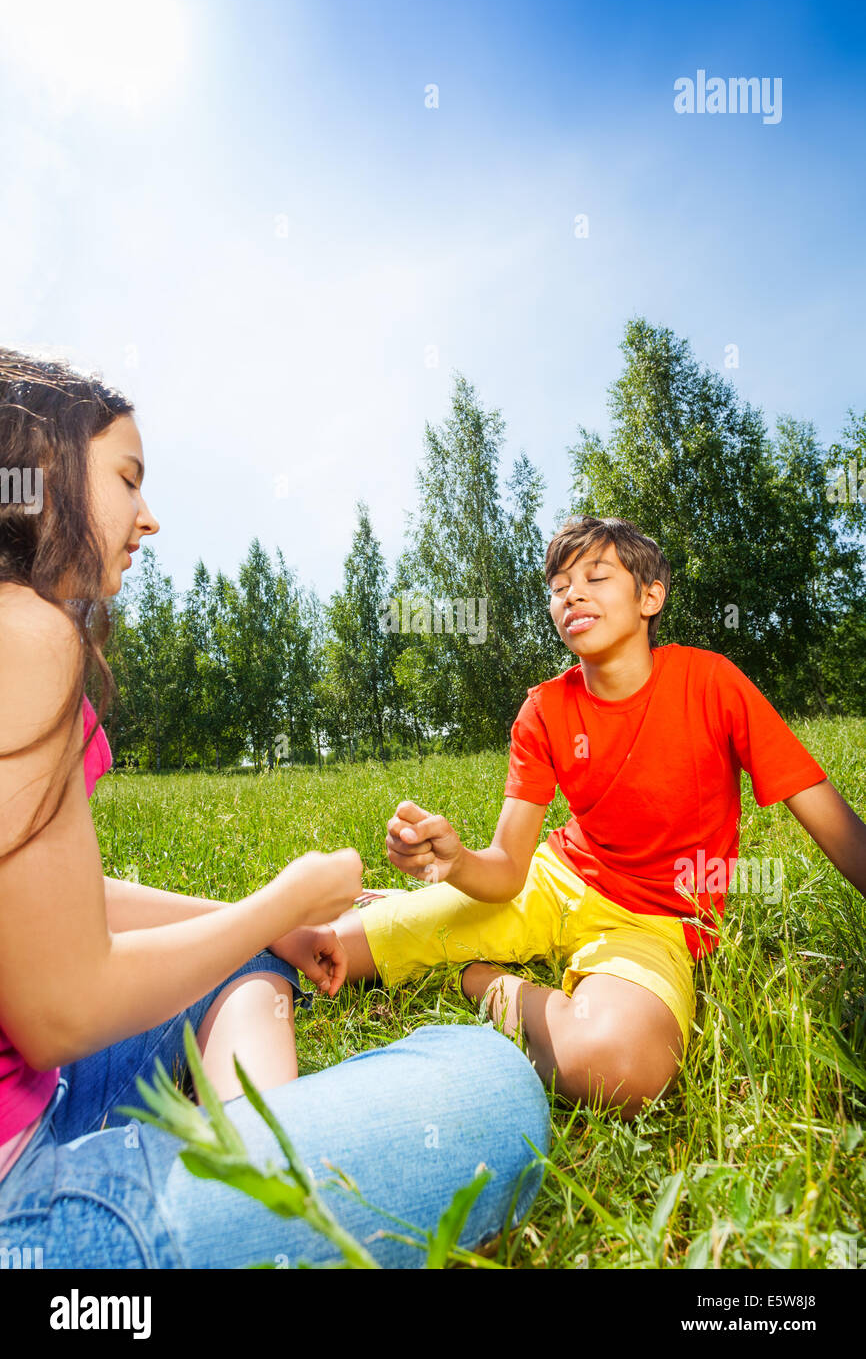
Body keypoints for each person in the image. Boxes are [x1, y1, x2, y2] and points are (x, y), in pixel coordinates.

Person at [0, 349, 550, 1269]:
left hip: (36, 1108)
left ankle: (259, 1181)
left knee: (240, 959)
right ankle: (262, 1205)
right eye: (127, 479)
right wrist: (287, 897)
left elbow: (63, 908)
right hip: (30, 1226)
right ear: (39, 475)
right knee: (494, 1087)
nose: (149, 518)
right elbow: (61, 1007)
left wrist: (270, 925)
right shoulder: (28, 635)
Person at [333, 516, 866, 1120]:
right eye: (558, 586)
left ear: (649, 597)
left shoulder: (712, 683)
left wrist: (486, 979)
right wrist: (455, 862)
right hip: (551, 881)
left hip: (656, 923)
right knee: (331, 952)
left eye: (596, 576)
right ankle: (368, 916)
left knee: (618, 1069)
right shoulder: (543, 710)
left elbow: (832, 822)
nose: (571, 594)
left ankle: (487, 983)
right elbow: (507, 870)